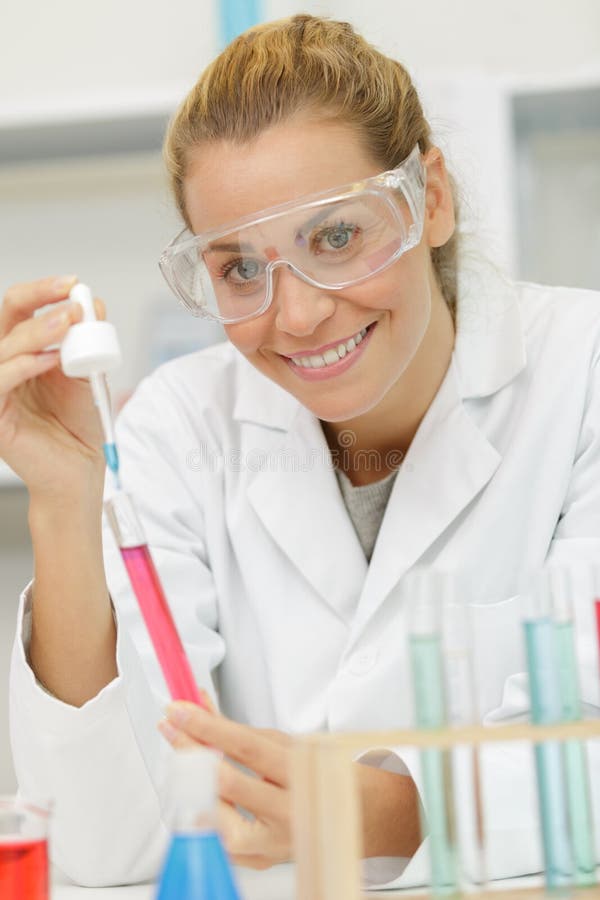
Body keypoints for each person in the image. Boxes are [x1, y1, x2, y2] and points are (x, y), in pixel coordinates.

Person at [4, 13, 600, 891]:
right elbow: (101, 845)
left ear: (429, 198)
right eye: (241, 267)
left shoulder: (581, 373)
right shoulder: (180, 423)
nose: (297, 315)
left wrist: (372, 810)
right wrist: (62, 496)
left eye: (334, 238)